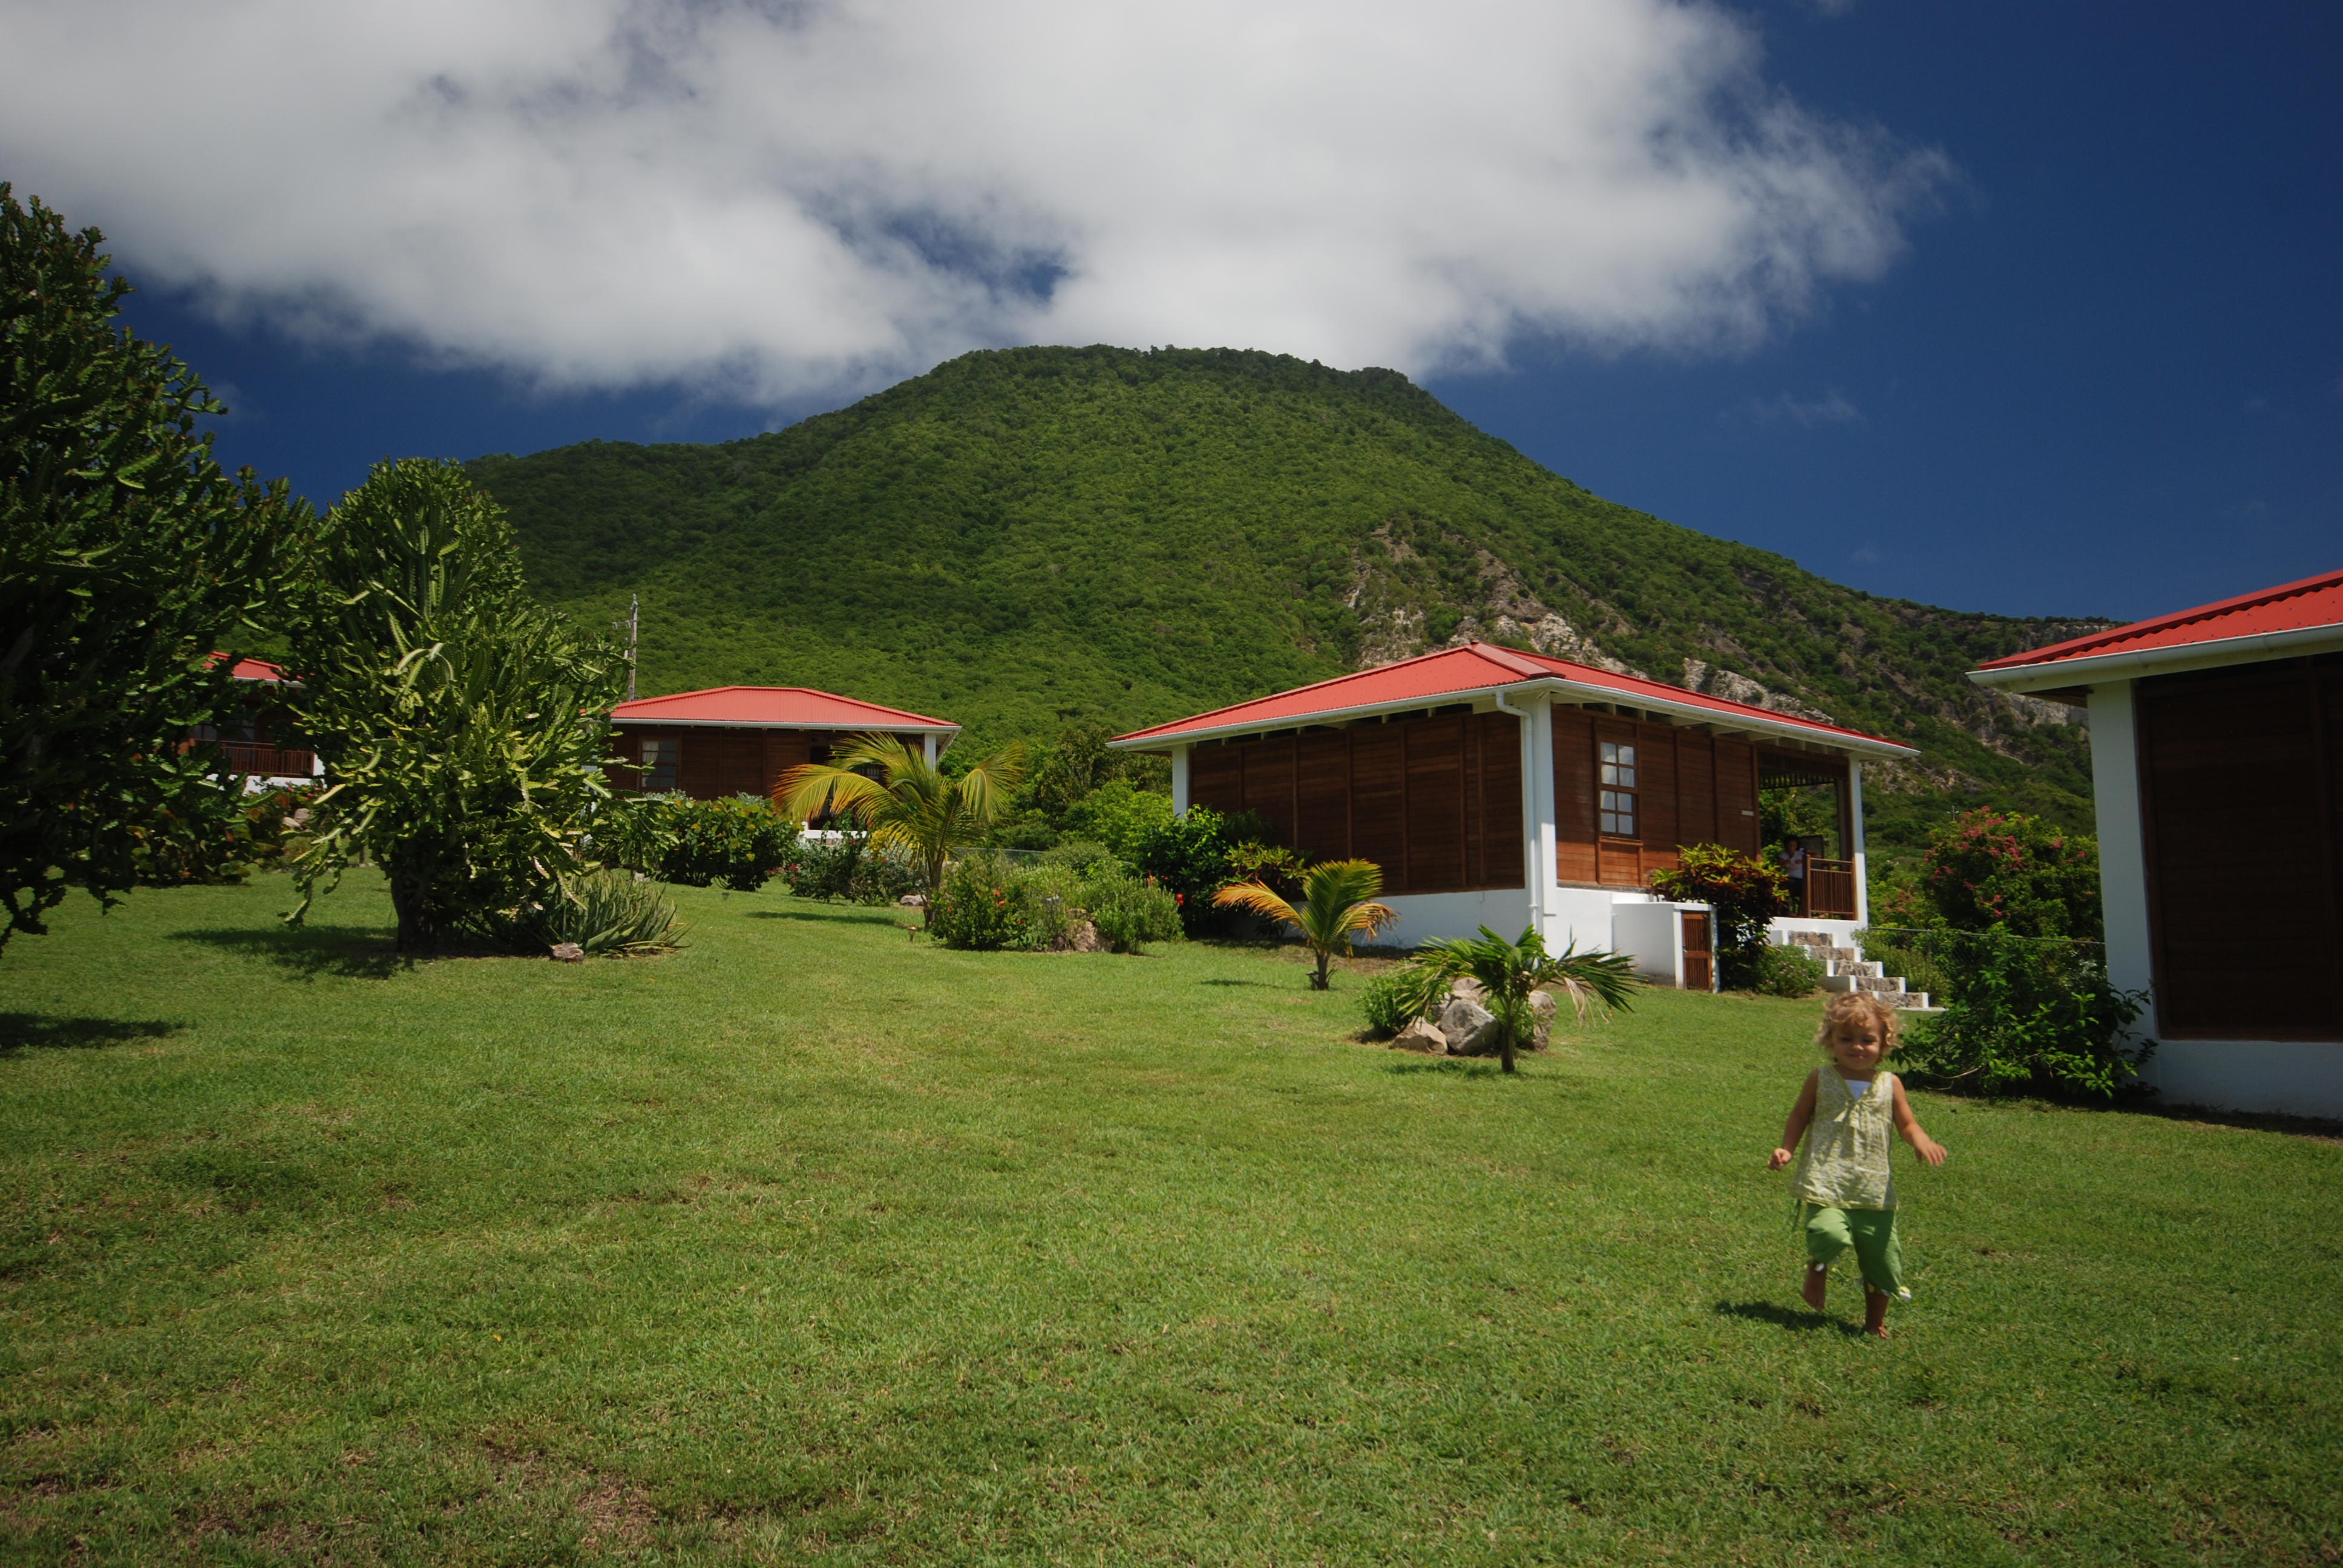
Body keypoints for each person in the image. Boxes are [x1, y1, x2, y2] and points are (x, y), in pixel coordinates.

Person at [1768, 992, 1946, 1338]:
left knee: (1882, 1260)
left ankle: (1873, 1322)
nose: (1858, 1047)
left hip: (1873, 1189)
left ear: (1885, 1042)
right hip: (1826, 1179)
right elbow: (1799, 1116)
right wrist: (1786, 1149)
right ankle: (1817, 1268)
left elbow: (1907, 1125)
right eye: (1846, 1039)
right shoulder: (1820, 1078)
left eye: (1868, 1040)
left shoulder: (1890, 1084)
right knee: (1827, 1232)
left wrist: (1921, 1140)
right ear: (1830, 1041)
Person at [1785, 841, 1808, 914]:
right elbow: (1778, 868)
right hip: (1788, 879)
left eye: (1794, 846)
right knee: (1782, 888)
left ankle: (1802, 912)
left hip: (1801, 880)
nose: (1791, 847)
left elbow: (1818, 856)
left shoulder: (1802, 852)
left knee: (1786, 887)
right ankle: (1785, 910)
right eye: (1790, 845)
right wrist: (1784, 863)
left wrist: (1803, 860)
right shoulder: (1784, 853)